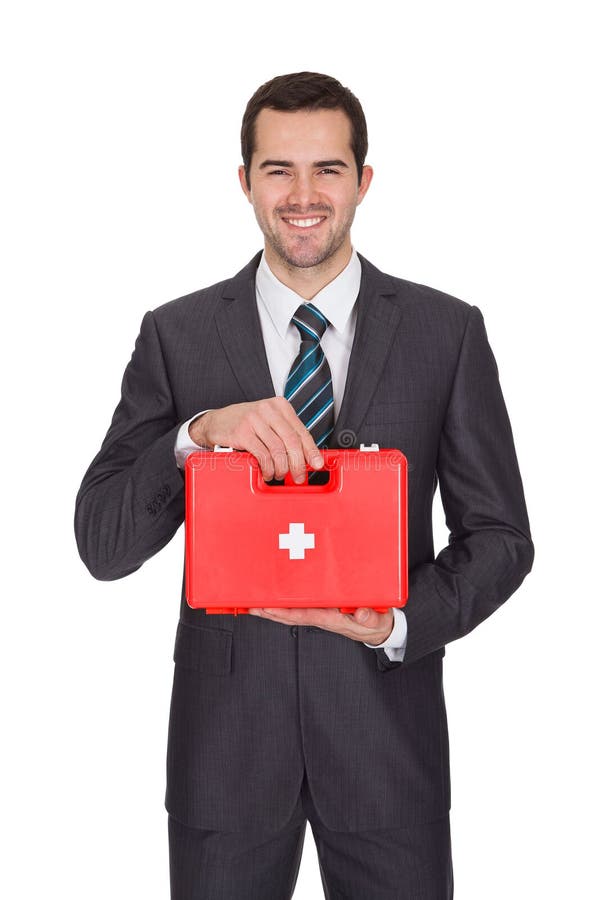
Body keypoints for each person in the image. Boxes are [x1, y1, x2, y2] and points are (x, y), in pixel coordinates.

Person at [75, 71, 534, 899]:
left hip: (388, 751)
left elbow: (500, 537)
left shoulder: (446, 332)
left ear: (363, 181)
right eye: (278, 169)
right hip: (226, 758)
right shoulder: (176, 336)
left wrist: (396, 621)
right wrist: (194, 436)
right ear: (244, 180)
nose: (303, 195)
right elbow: (103, 544)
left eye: (327, 169)